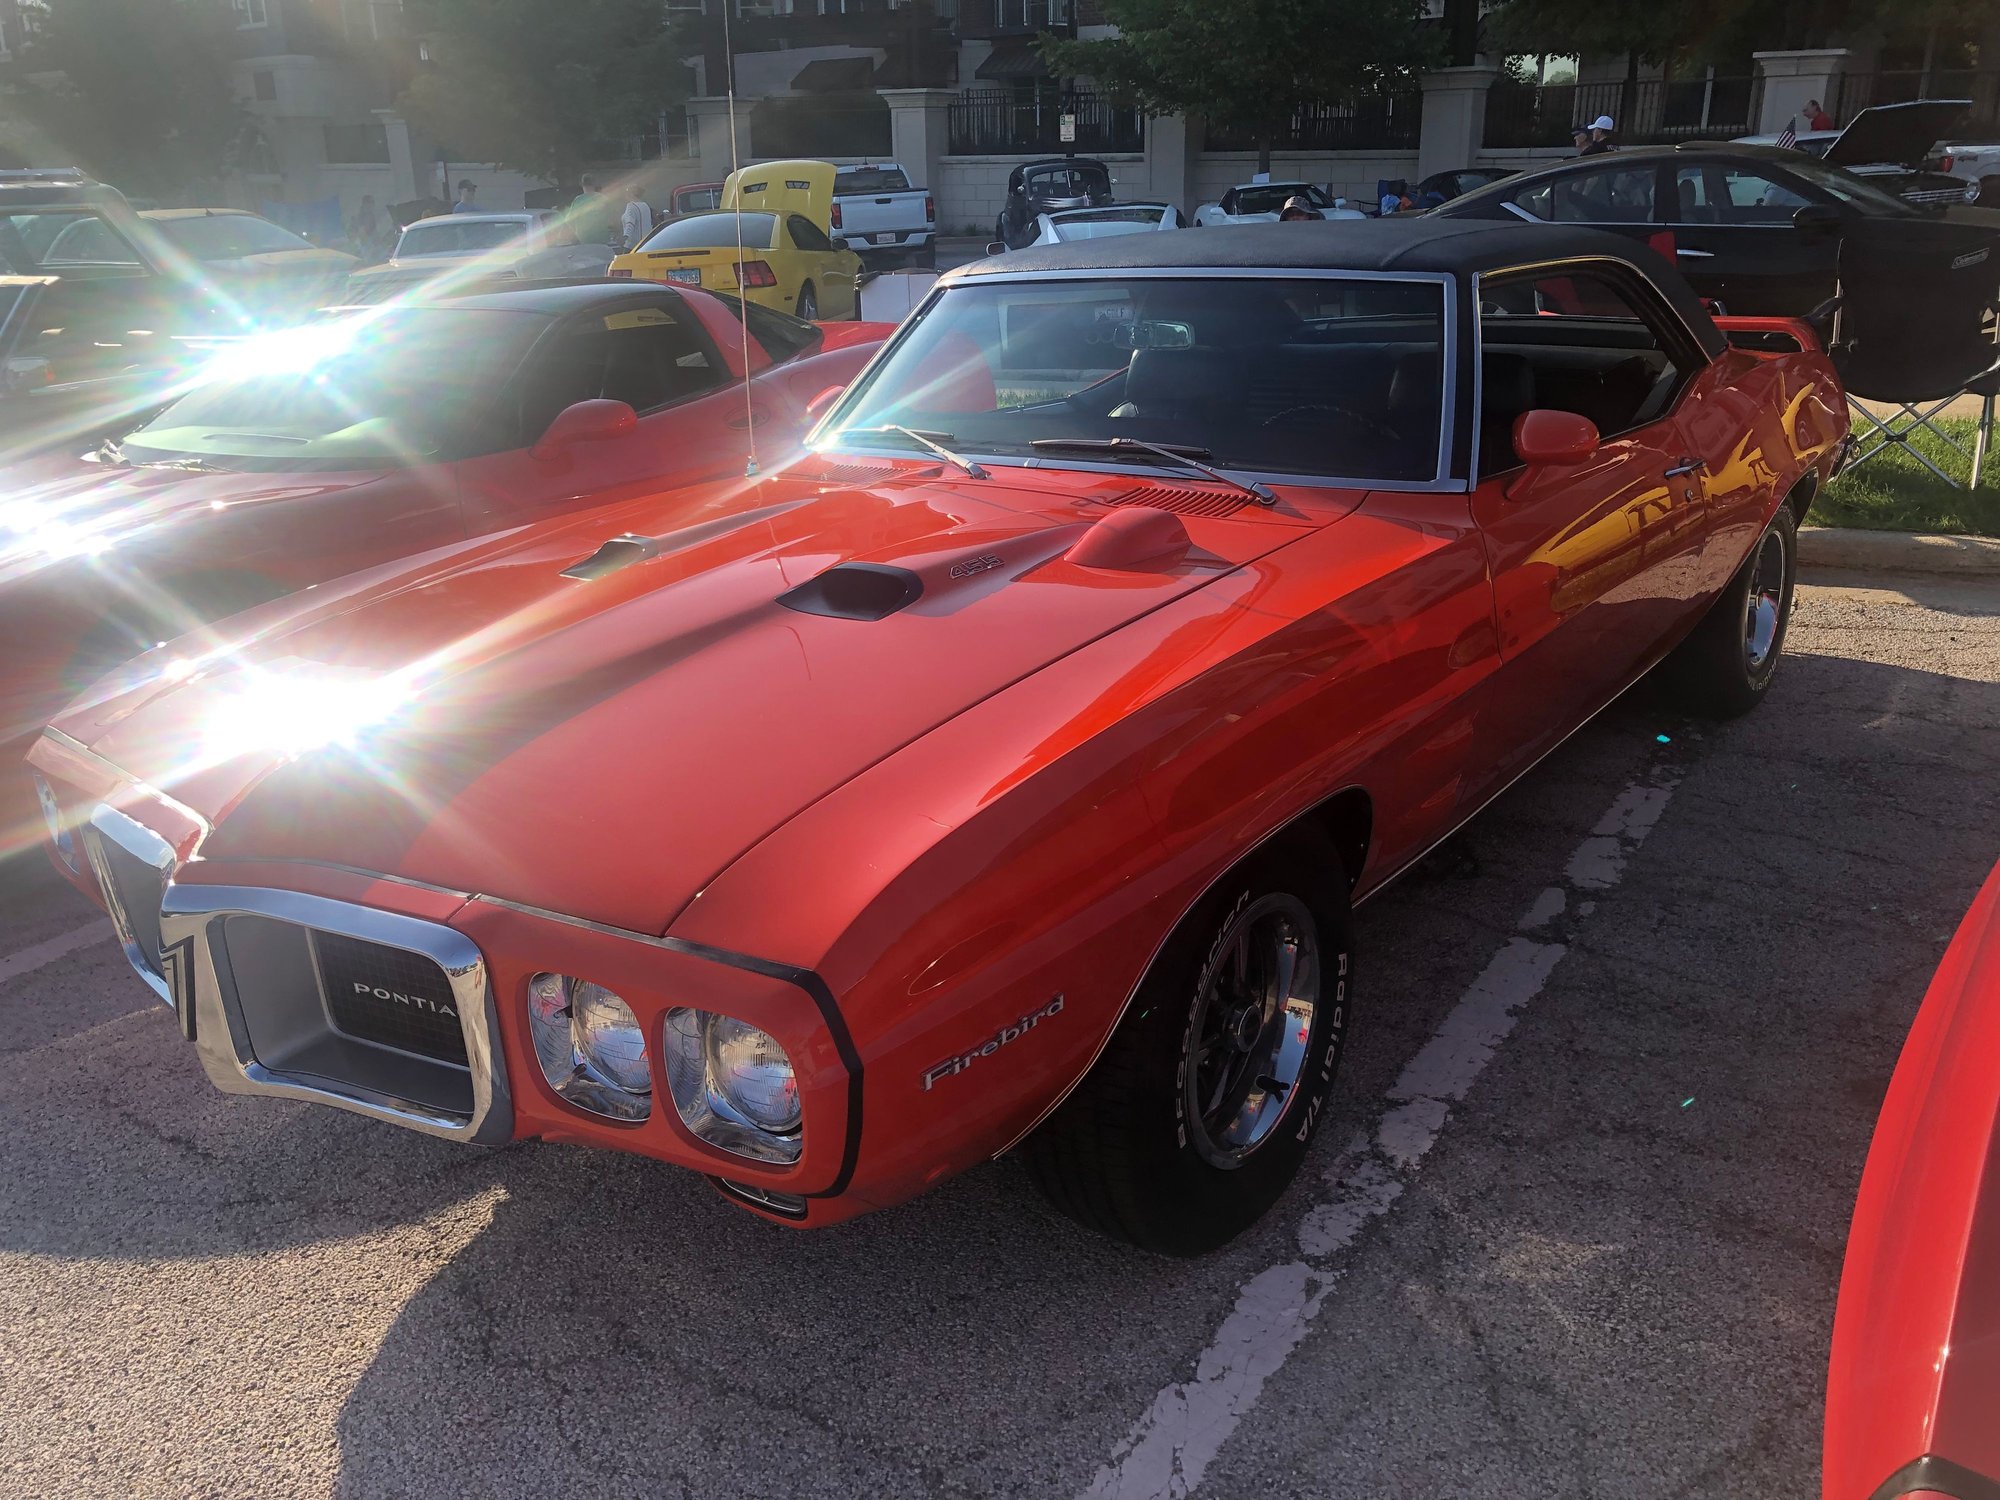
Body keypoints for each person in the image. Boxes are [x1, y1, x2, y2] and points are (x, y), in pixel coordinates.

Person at [572, 173, 617, 246]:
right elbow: (613, 218)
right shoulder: (603, 198)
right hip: (602, 238)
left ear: (582, 185)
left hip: (583, 239)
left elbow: (570, 220)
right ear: (594, 184)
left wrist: (575, 234)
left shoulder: (578, 200)